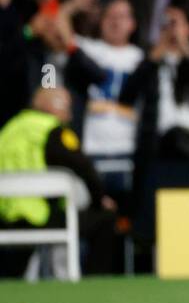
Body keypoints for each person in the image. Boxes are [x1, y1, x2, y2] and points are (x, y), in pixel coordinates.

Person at [0, 87, 117, 277]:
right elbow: (84, 167)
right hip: (39, 217)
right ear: (55, 108)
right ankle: (97, 282)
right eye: (67, 108)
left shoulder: (8, 129)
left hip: (5, 216)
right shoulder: (53, 131)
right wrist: (100, 198)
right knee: (104, 217)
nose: (70, 115)